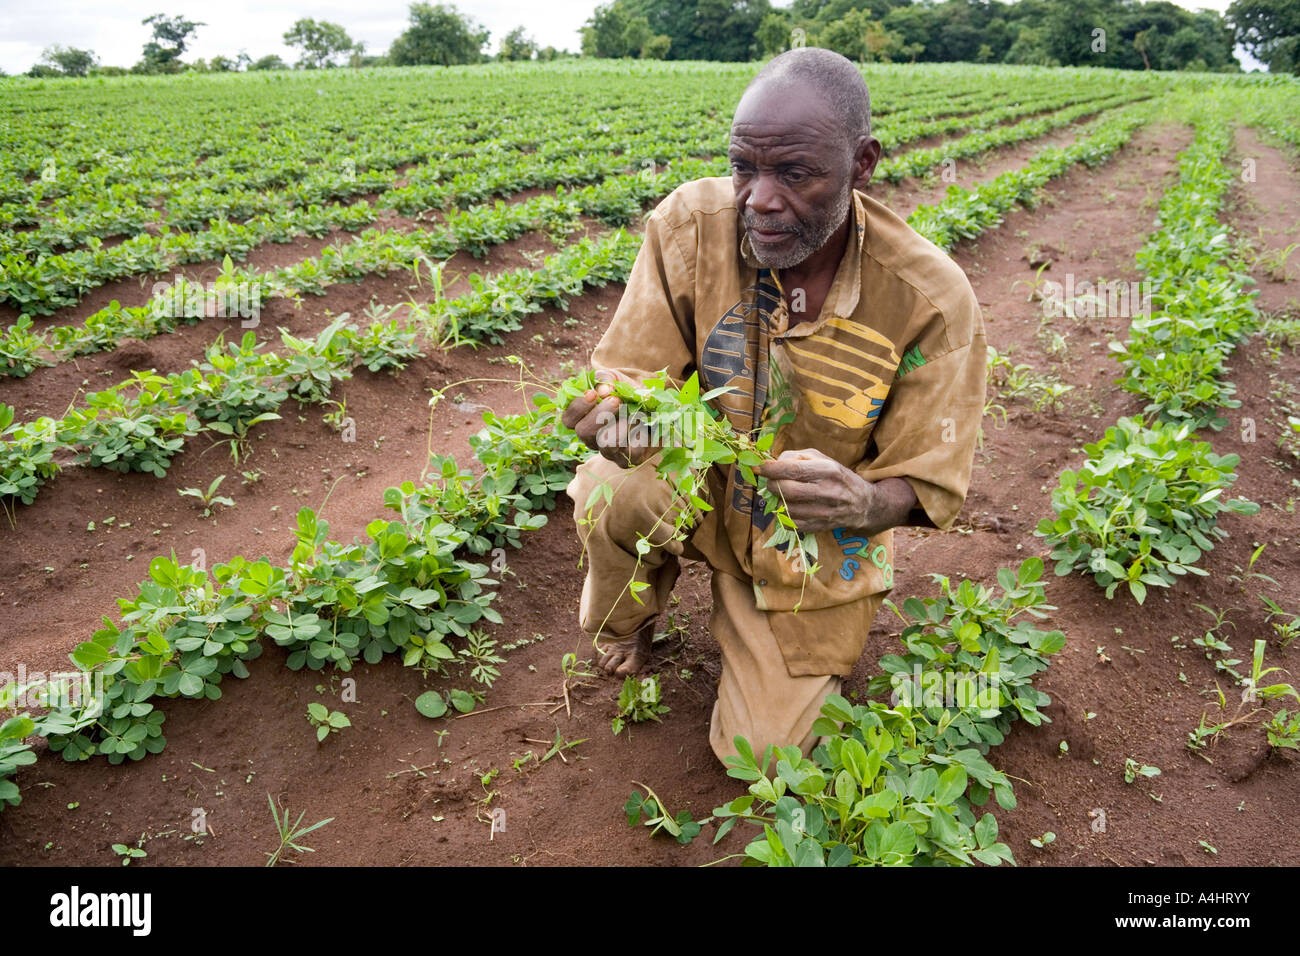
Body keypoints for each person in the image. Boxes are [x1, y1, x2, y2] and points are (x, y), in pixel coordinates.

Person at [560, 47, 987, 768]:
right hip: (695, 484)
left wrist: (861, 502)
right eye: (744, 167)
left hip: (810, 534)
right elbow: (630, 380)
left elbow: (928, 481)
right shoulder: (691, 226)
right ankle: (629, 622)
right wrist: (615, 426)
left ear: (863, 164)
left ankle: (764, 636)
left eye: (793, 173)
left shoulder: (929, 300)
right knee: (619, 493)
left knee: (759, 758)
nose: (759, 197)